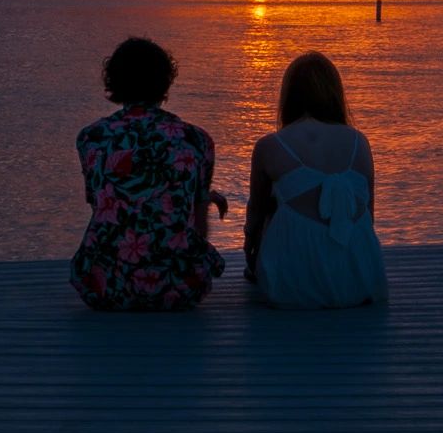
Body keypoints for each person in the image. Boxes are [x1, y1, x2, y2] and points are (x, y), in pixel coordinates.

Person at [70, 36, 228, 311]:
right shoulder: (196, 140)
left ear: (114, 81)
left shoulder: (91, 138)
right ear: (165, 82)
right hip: (179, 285)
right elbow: (198, 226)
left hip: (105, 285)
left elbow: (102, 204)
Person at [244, 51, 387, 308]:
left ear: (288, 97)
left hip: (291, 286)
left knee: (272, 206)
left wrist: (251, 256)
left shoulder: (270, 145)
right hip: (359, 281)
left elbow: (253, 219)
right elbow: (369, 215)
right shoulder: (359, 141)